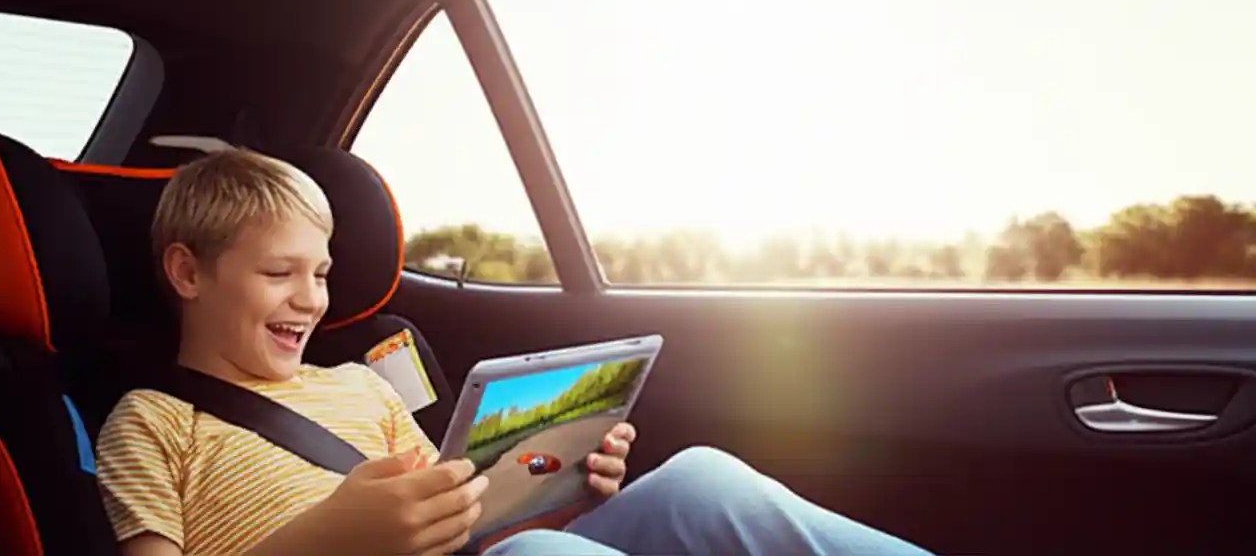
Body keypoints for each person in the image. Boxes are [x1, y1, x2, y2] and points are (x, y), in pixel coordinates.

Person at [95, 149, 932, 556]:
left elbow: (468, 525)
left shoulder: (363, 384)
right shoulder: (153, 423)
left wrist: (559, 483)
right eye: (279, 273)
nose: (312, 298)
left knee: (699, 477)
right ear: (187, 272)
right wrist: (329, 538)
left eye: (319, 272)